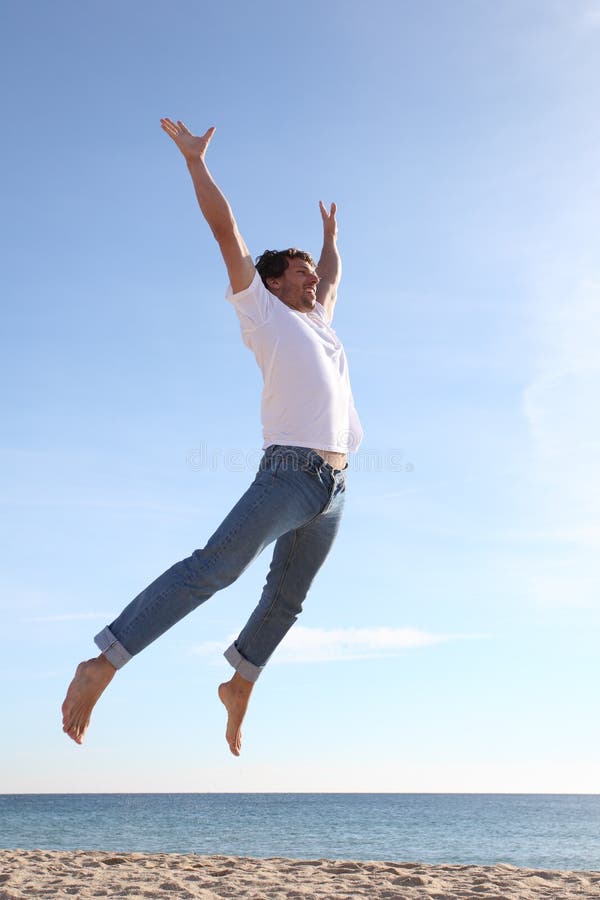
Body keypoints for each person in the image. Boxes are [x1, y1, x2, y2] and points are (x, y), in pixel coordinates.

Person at [61, 119, 363, 756]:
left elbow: (333, 277)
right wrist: (197, 163)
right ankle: (105, 662)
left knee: (288, 599)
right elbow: (226, 231)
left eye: (313, 274)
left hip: (333, 488)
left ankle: (240, 683)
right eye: (302, 273)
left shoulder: (320, 322)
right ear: (275, 282)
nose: (314, 280)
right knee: (215, 569)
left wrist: (330, 239)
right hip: (289, 473)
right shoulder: (263, 312)